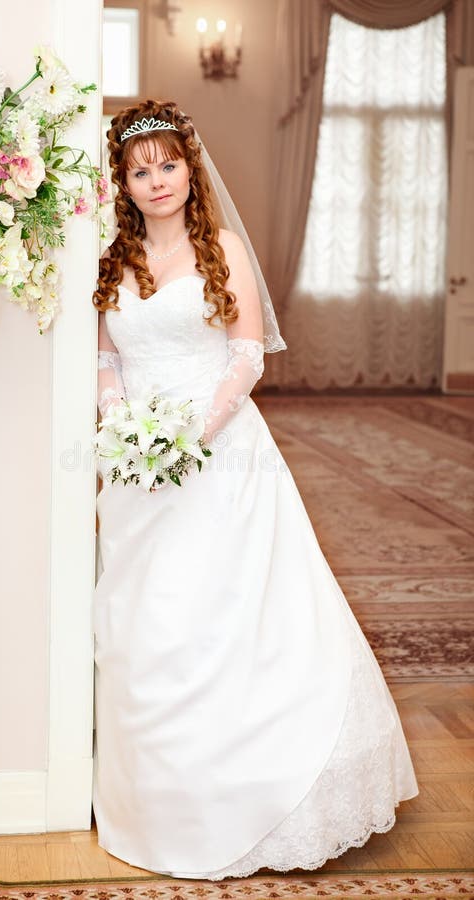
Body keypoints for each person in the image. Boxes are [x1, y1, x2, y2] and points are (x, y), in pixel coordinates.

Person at [91, 98, 418, 881]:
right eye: (140, 171)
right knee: (151, 621)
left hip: (220, 453)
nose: (157, 181)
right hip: (137, 466)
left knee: (227, 612)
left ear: (189, 170)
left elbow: (246, 354)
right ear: (123, 184)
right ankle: (160, 804)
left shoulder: (223, 248)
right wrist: (123, 427)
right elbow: (106, 360)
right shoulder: (112, 259)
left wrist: (192, 435)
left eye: (169, 164)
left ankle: (270, 793)